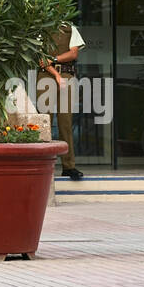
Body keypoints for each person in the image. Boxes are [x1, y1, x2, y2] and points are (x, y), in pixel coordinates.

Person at [40, 21, 86, 179]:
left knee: (65, 121)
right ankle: (42, 164)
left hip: (67, 74)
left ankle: (68, 165)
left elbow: (73, 53)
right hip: (46, 75)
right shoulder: (41, 26)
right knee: (44, 120)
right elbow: (41, 59)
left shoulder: (70, 27)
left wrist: (53, 58)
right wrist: (57, 75)